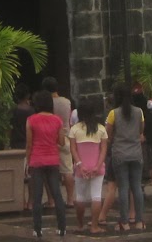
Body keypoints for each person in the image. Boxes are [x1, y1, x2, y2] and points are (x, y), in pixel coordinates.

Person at [26, 88, 68, 239]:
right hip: (53, 159)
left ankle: (37, 229)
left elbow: (29, 144)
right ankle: (62, 227)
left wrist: (27, 160)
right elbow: (62, 142)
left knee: (37, 196)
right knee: (57, 194)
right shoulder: (57, 120)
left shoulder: (31, 120)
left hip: (37, 159)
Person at [106, 85, 146, 231]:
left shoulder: (113, 113)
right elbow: (141, 130)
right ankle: (140, 221)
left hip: (120, 153)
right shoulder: (139, 111)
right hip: (136, 153)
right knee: (137, 187)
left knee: (123, 188)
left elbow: (108, 134)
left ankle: (124, 222)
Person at [67, 95, 108, 235]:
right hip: (97, 167)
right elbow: (103, 150)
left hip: (81, 168)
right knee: (96, 196)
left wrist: (79, 164)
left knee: (80, 197)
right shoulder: (101, 129)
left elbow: (73, 149)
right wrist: (98, 166)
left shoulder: (75, 129)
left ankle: (80, 225)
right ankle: (94, 226)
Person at [43, 77, 76, 207]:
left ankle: (51, 200)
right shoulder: (66, 102)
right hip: (66, 137)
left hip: (49, 139)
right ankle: (70, 199)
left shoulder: (46, 102)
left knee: (49, 172)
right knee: (67, 170)